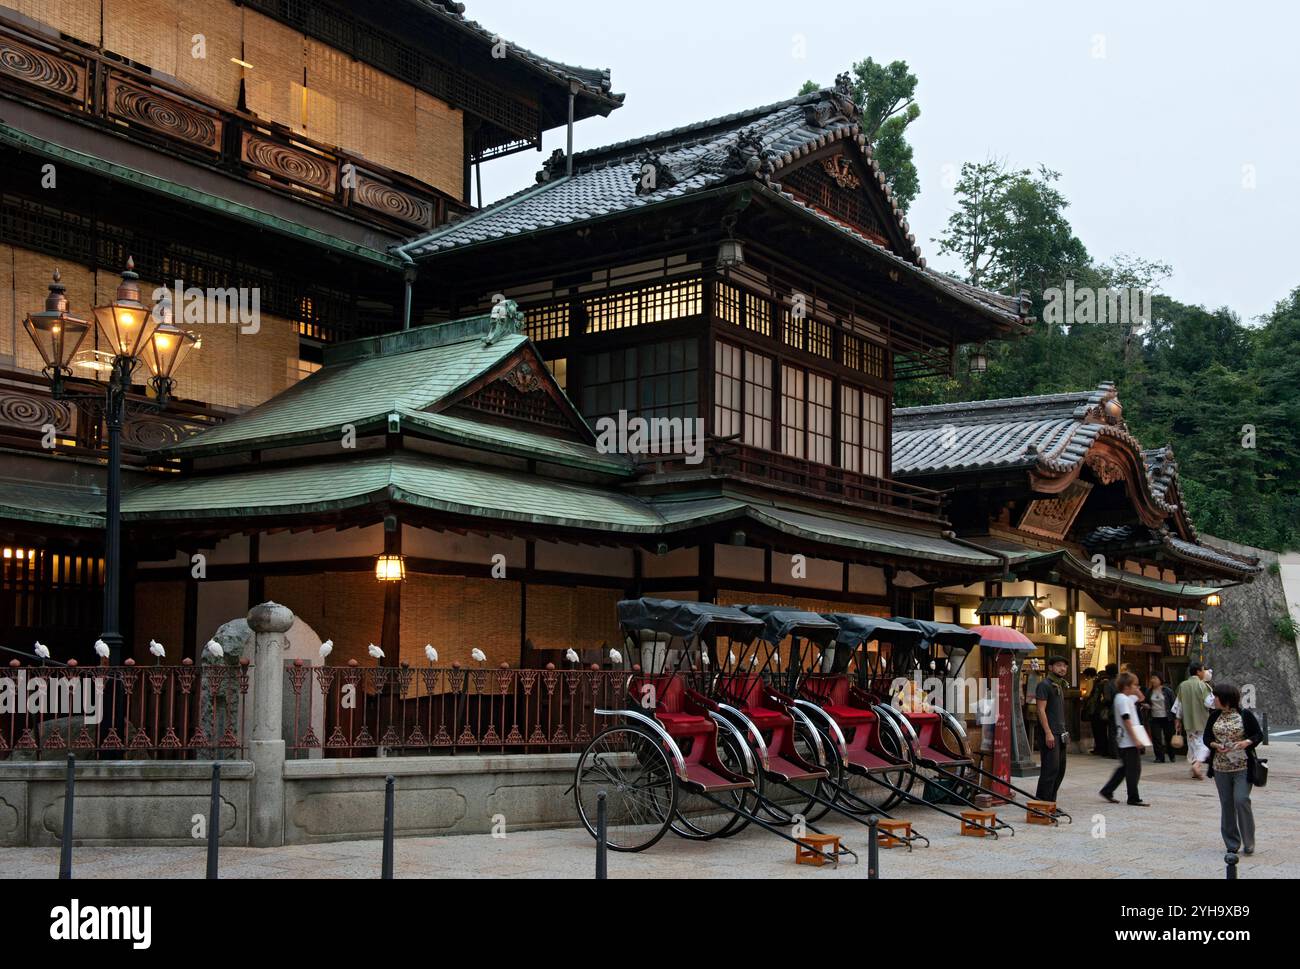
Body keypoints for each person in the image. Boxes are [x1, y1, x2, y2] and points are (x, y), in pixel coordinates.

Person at [1201, 682, 1263, 856]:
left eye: (1215, 696)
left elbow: (1258, 734)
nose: (1213, 699)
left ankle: (1249, 842)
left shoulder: (1245, 715)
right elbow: (1206, 737)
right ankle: (1232, 842)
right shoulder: (1214, 716)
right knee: (1227, 804)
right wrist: (1215, 745)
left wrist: (1247, 742)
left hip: (1242, 766)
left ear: (1225, 699)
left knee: (1241, 800)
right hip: (1220, 767)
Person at [1100, 672, 1150, 806]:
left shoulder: (1125, 698)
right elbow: (1126, 720)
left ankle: (1107, 790)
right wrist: (1136, 739)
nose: (1137, 687)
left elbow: (1141, 698)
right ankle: (1133, 797)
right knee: (1134, 769)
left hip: (1126, 739)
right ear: (1127, 686)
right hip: (1128, 740)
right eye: (1134, 685)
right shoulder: (1122, 699)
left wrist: (1136, 689)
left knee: (1125, 768)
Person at [1034, 656, 1070, 802]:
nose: (1063, 668)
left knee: (1060, 769)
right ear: (1050, 667)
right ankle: (1042, 802)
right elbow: (1040, 710)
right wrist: (1048, 732)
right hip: (1050, 732)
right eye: (1059, 665)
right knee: (1050, 769)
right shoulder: (1044, 685)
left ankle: (1050, 802)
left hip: (1060, 732)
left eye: (1065, 666)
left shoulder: (1060, 685)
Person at [1175, 663, 1212, 778]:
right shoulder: (1202, 685)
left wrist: (1178, 720)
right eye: (1202, 670)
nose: (1204, 672)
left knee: (1192, 744)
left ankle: (1195, 766)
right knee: (1204, 744)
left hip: (1188, 722)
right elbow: (1209, 703)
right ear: (1198, 672)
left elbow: (1178, 705)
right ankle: (1197, 764)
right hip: (1202, 721)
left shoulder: (1183, 685)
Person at [1142, 674, 1176, 763]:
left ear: (1160, 680)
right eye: (1152, 678)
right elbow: (1146, 701)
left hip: (1167, 717)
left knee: (1169, 737)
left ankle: (1172, 755)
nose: (1153, 680)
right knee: (1156, 738)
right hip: (1154, 717)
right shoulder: (1149, 691)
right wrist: (1147, 706)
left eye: (1155, 678)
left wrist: (1176, 718)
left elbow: (1174, 704)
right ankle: (1159, 757)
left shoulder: (1167, 691)